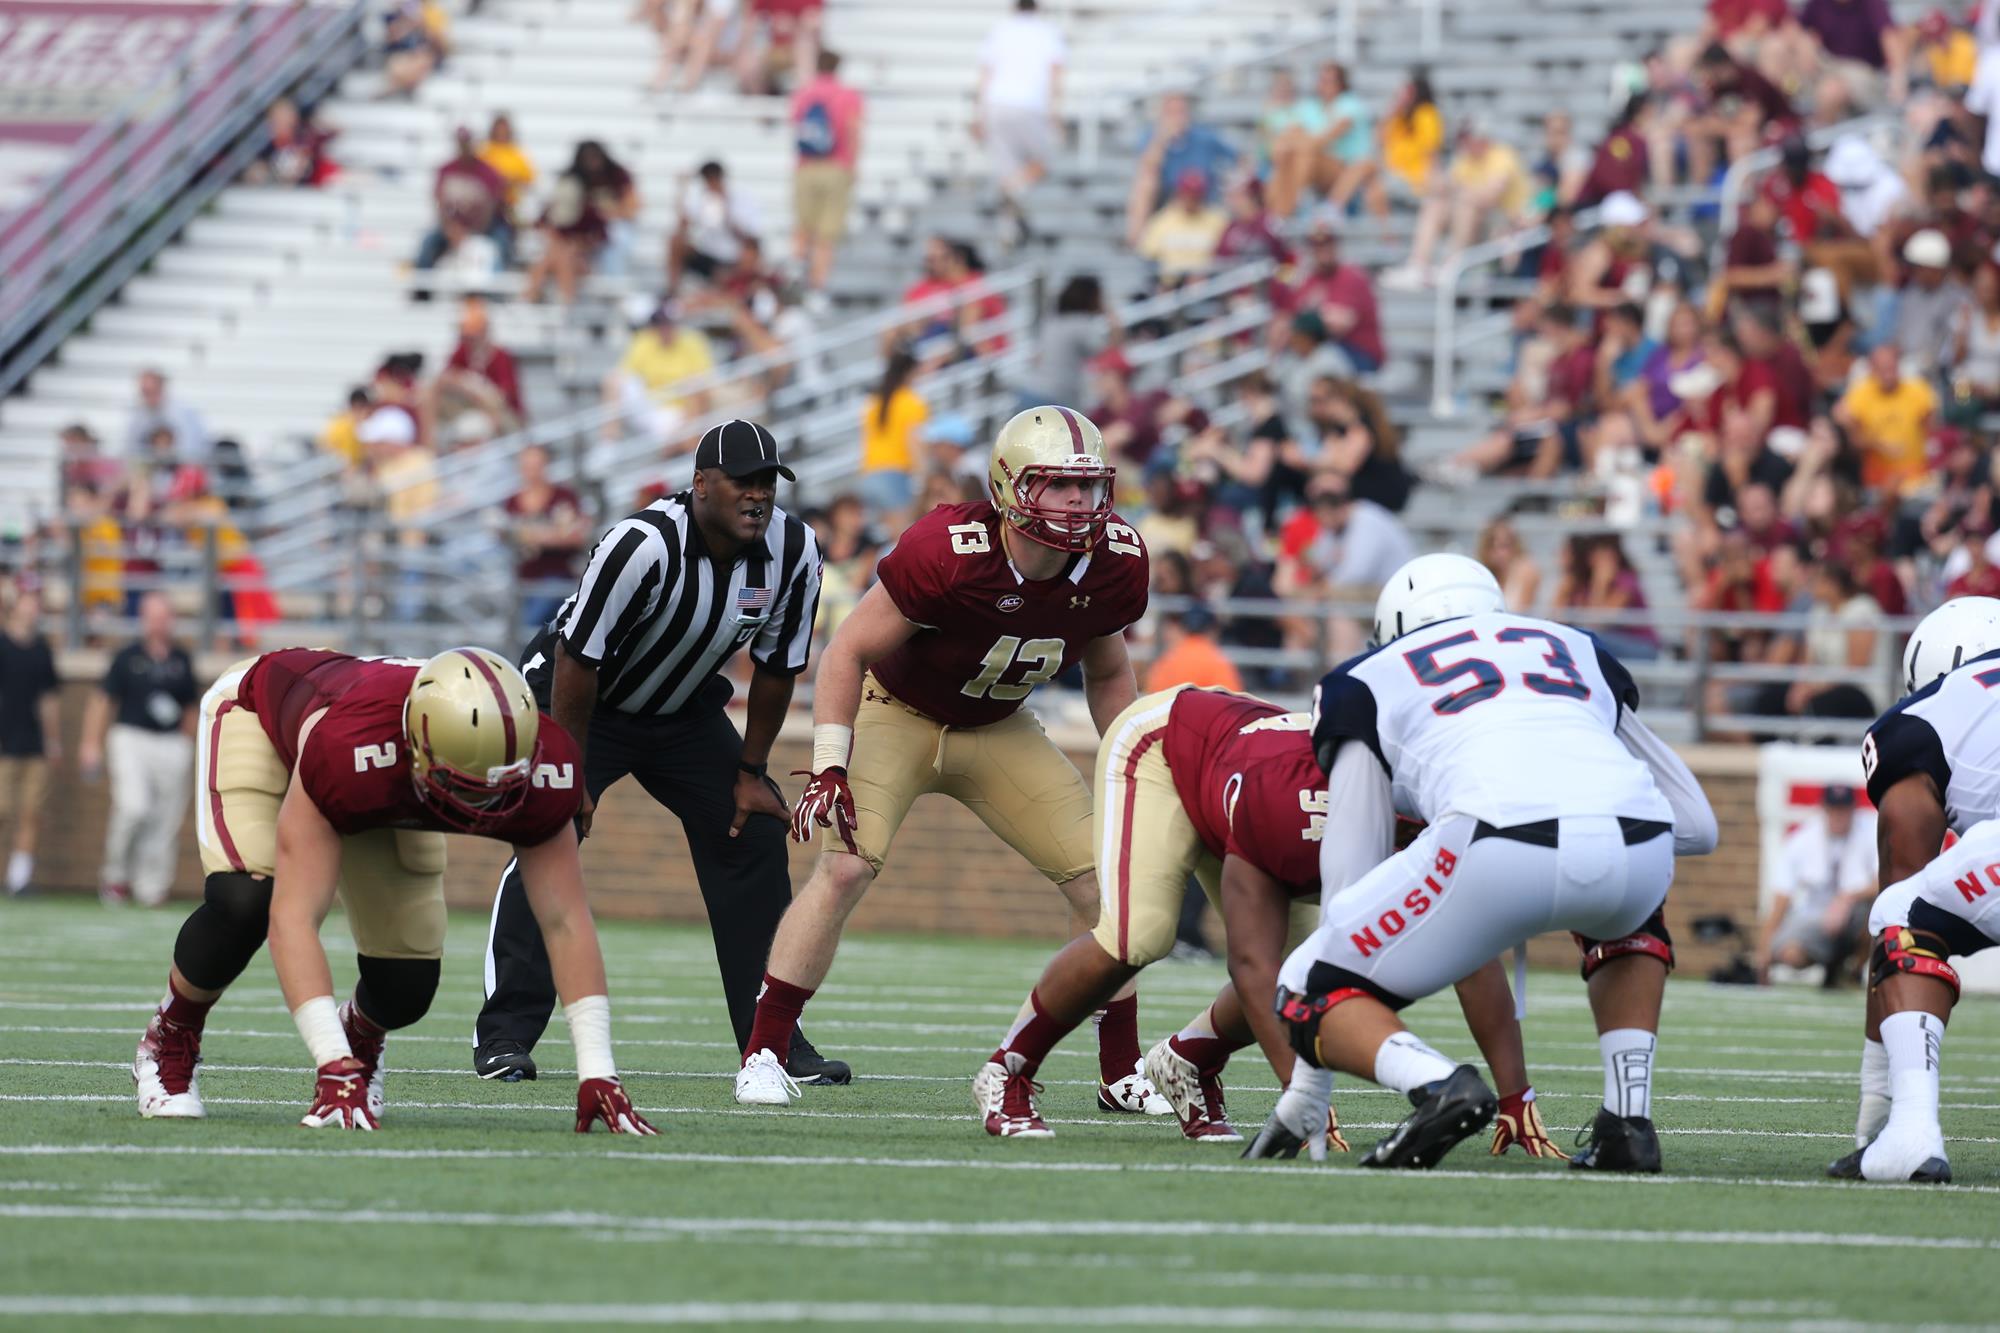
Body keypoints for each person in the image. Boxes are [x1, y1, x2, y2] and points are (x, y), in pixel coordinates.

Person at [740, 407, 1159, 1110]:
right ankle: (763, 1051)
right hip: (896, 713)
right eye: (1060, 485)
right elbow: (847, 650)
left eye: (1089, 487)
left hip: (999, 726)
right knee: (844, 866)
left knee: (1108, 888)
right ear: (1009, 486)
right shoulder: (950, 548)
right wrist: (832, 762)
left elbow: (1109, 670)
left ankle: (1119, 1071)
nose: (1081, 503)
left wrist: (1130, 773)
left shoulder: (1116, 561)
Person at [1243, 554, 1718, 1170]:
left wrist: (1311, 1077)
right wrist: (1587, 828)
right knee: (1630, 920)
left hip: (1492, 836)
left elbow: (1349, 882)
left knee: (1305, 980)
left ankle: (1438, 1086)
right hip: (1639, 835)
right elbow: (1697, 824)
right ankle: (1628, 1123)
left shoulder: (1365, 678)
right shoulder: (1577, 647)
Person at [977, 684, 1559, 1160]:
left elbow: (1469, 949)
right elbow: (1251, 963)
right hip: (1165, 751)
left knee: (1310, 974)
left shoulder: (1436, 813)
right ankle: (1008, 1071)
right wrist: (1301, 1090)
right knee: (1141, 934)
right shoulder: (1293, 806)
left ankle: (1189, 1058)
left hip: (1240, 767)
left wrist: (1515, 1094)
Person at [130, 645, 655, 1134]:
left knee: (406, 983)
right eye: (464, 788)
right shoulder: (349, 751)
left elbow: (565, 920)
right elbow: (293, 919)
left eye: (500, 791)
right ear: (420, 750)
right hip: (265, 722)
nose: (484, 813)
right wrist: (332, 1070)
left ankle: (361, 1037)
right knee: (247, 898)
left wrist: (598, 1071)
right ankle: (171, 1036)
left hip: (387, 759)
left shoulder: (546, 764)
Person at [476, 421, 844, 1088]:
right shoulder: (641, 545)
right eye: (742, 481)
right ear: (701, 483)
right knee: (549, 831)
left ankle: (771, 1042)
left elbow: (779, 666)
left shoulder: (793, 548)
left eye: (767, 483)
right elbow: (577, 659)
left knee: (753, 832)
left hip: (680, 707)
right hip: (579, 699)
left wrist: (750, 772)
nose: (757, 496)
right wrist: (572, 771)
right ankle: (504, 1035)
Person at [1828, 597, 2000, 1183]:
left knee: (1900, 911)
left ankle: (1908, 1132)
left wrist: (1877, 1099)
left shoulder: (1919, 722)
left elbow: (1896, 918)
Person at [81, 592, 198, 908]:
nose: (159, 624)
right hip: (131, 738)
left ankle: (152, 885)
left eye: (164, 616)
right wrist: (90, 744)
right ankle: (115, 877)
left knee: (166, 819)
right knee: (133, 808)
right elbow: (102, 699)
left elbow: (190, 706)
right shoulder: (127, 656)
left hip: (171, 743)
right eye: (153, 616)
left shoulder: (181, 659)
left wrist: (189, 744)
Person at [1756, 784, 1877, 984]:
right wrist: (1763, 955)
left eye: (1844, 810)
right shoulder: (1802, 839)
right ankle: (1831, 965)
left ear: (1854, 810)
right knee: (1790, 953)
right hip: (1817, 919)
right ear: (1823, 809)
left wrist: (1847, 898)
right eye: (1833, 810)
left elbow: (1885, 881)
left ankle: (1854, 971)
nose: (1839, 816)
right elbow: (1781, 900)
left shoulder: (1870, 831)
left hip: (1857, 914)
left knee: (1877, 912)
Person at [975, 0, 1065, 243]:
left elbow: (986, 73)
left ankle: (1008, 227)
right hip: (1030, 105)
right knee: (1044, 162)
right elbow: (1054, 74)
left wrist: (980, 115)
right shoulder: (1047, 31)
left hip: (997, 104)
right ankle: (1013, 193)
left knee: (1007, 169)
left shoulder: (1000, 29)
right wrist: (1055, 114)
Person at [790, 50, 864, 294]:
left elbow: (796, 127)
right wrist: (853, 165)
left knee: (803, 227)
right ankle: (817, 283)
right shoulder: (847, 95)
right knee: (827, 234)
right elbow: (853, 130)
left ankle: (797, 275)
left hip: (807, 166)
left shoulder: (803, 93)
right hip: (836, 166)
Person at [0, 590, 59, 897]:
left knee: (30, 812)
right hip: (4, 742)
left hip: (33, 742)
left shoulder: (41, 649)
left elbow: (48, 698)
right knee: (2, 810)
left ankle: (19, 878)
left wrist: (52, 740)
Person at [502, 444, 588, 632]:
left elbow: (575, 535)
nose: (531, 471)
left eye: (536, 465)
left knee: (529, 626)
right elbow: (505, 534)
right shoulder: (512, 500)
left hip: (556, 576)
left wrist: (536, 536)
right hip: (522, 576)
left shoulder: (563, 496)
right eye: (527, 465)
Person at [1834, 342, 1939, 496]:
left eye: (1892, 369)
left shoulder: (1917, 390)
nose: (1888, 375)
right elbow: (1846, 426)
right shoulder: (1861, 394)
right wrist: (1878, 444)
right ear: (1872, 370)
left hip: (1915, 475)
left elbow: (1933, 431)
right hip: (1877, 477)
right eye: (1882, 370)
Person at [858, 343, 927, 520]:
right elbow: (914, 443)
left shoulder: (874, 401)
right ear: (909, 372)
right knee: (901, 540)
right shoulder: (911, 401)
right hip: (894, 476)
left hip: (869, 476)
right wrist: (924, 476)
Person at [1135, 169, 1229, 286]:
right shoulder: (1163, 220)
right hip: (1170, 286)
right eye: (1188, 195)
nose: (1191, 200)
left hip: (1208, 286)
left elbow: (1226, 258)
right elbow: (1148, 256)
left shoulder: (1217, 220)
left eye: (1196, 196)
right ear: (1180, 194)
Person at [1143, 606, 1242, 693]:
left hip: (1170, 713)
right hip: (1203, 713)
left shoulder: (1166, 660)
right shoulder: (1218, 661)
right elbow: (1231, 701)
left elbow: (1153, 694)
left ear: (1183, 629)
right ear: (1213, 630)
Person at [123, 369, 209, 463]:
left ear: (161, 387)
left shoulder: (182, 412)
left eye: (152, 391)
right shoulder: (138, 415)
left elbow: (191, 448)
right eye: (145, 392)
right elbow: (130, 448)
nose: (148, 397)